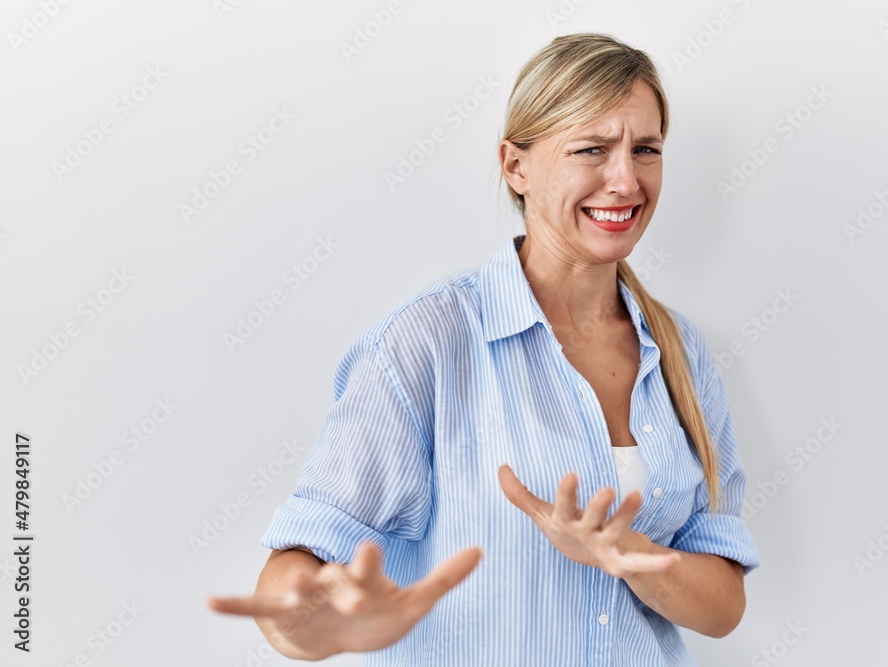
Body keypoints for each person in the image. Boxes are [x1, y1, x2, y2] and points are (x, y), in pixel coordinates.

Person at [206, 32, 761, 666]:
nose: (625, 180)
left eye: (646, 149)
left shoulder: (680, 351)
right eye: (591, 149)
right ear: (516, 165)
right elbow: (293, 585)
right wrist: (324, 614)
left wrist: (626, 553)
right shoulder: (426, 344)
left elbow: (723, 608)